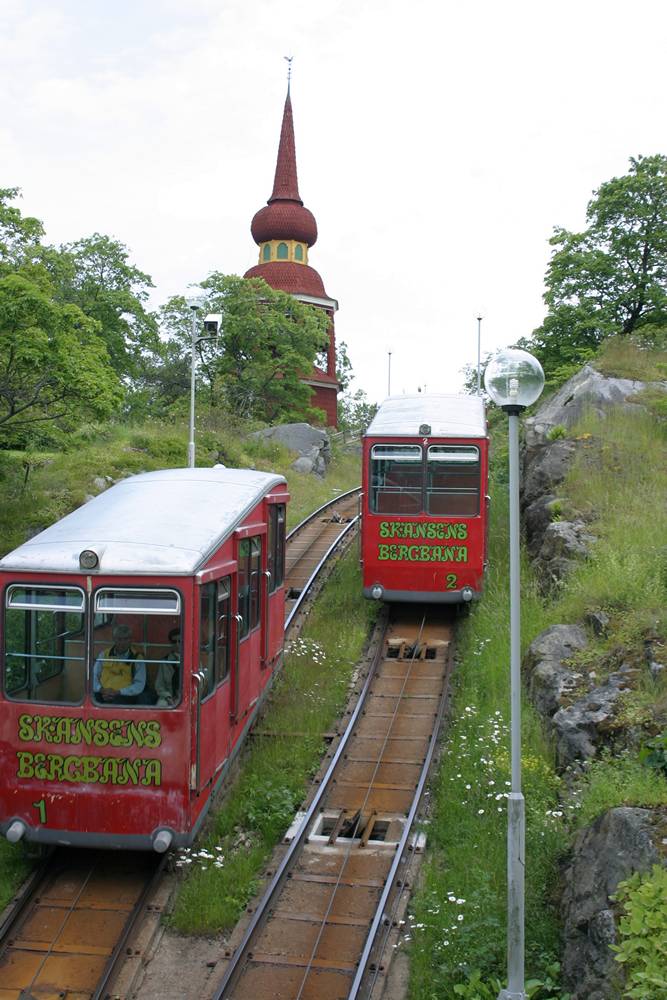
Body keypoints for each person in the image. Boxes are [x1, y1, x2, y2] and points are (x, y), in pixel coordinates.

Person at [93, 624, 147, 706]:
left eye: (126, 639)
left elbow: (139, 685)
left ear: (131, 640)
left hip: (124, 696)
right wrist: (101, 690)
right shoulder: (104, 655)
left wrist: (118, 692)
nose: (122, 642)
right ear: (114, 639)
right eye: (119, 639)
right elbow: (93, 676)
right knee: (91, 699)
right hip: (102, 694)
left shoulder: (137, 658)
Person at [155, 627, 180, 707]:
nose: (177, 644)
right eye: (174, 641)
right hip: (167, 697)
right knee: (161, 705)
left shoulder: (192, 661)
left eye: (180, 641)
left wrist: (181, 698)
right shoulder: (165, 662)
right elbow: (159, 685)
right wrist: (168, 697)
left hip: (186, 697)